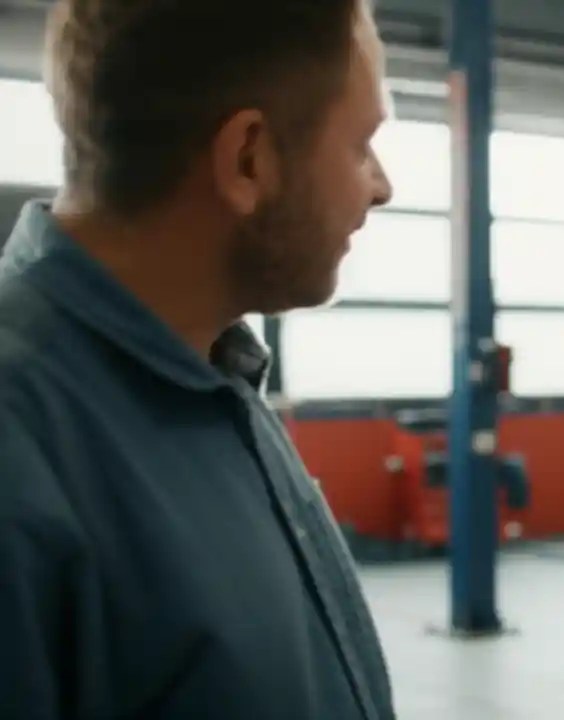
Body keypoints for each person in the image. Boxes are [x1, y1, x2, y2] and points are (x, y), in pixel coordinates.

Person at [0, 0, 395, 718]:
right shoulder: (20, 444)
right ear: (249, 158)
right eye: (361, 144)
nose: (381, 187)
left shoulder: (215, 370)